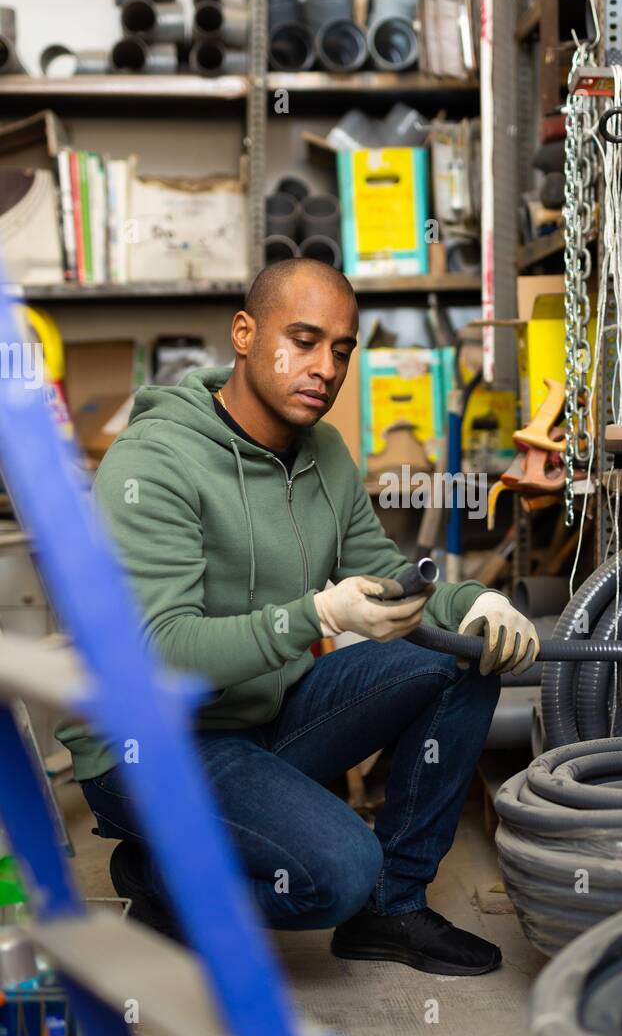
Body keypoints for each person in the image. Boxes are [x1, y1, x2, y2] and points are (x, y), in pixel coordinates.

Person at [56, 259, 539, 976]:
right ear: (245, 334)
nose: (325, 367)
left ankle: (392, 909)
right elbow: (159, 651)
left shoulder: (326, 456)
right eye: (304, 340)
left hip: (261, 717)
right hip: (151, 745)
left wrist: (479, 603)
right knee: (335, 873)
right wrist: (312, 614)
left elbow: (383, 571)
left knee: (461, 659)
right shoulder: (152, 463)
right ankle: (155, 879)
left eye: (341, 350)